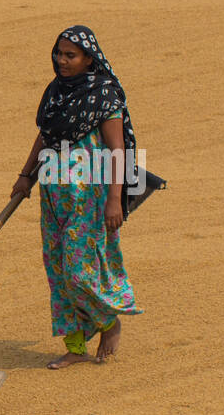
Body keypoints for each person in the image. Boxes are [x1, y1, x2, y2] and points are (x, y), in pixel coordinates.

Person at [11, 26, 142, 369]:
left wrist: (115, 200)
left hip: (90, 197)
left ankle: (108, 322)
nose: (62, 61)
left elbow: (117, 151)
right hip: (54, 193)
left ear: (89, 59)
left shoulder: (105, 95)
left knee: (78, 270)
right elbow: (45, 137)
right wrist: (26, 176)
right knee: (56, 269)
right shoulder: (56, 91)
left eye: (71, 55)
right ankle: (74, 345)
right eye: (59, 53)